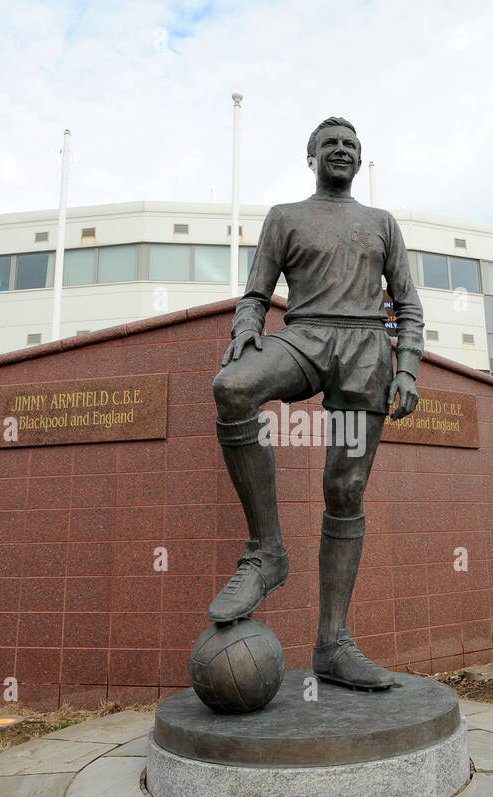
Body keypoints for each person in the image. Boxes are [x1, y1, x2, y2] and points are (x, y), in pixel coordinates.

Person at [209, 116, 424, 690]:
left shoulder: (381, 223)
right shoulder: (285, 216)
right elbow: (256, 293)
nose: (342, 150)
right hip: (303, 337)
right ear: (311, 156)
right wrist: (246, 327)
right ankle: (267, 552)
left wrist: (407, 369)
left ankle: (333, 644)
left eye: (351, 144)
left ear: (360, 159)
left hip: (365, 351)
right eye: (330, 143)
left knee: (345, 491)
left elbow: (409, 307)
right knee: (232, 388)